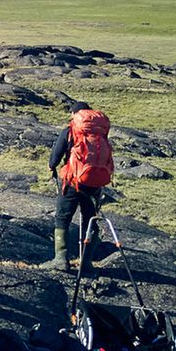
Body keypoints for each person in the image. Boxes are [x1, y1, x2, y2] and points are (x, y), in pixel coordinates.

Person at [41, 101, 116, 272]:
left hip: (72, 181)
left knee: (62, 218)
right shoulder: (100, 131)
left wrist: (52, 166)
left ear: (75, 114)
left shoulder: (71, 129)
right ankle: (86, 262)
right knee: (90, 220)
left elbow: (55, 155)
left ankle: (61, 259)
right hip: (95, 183)